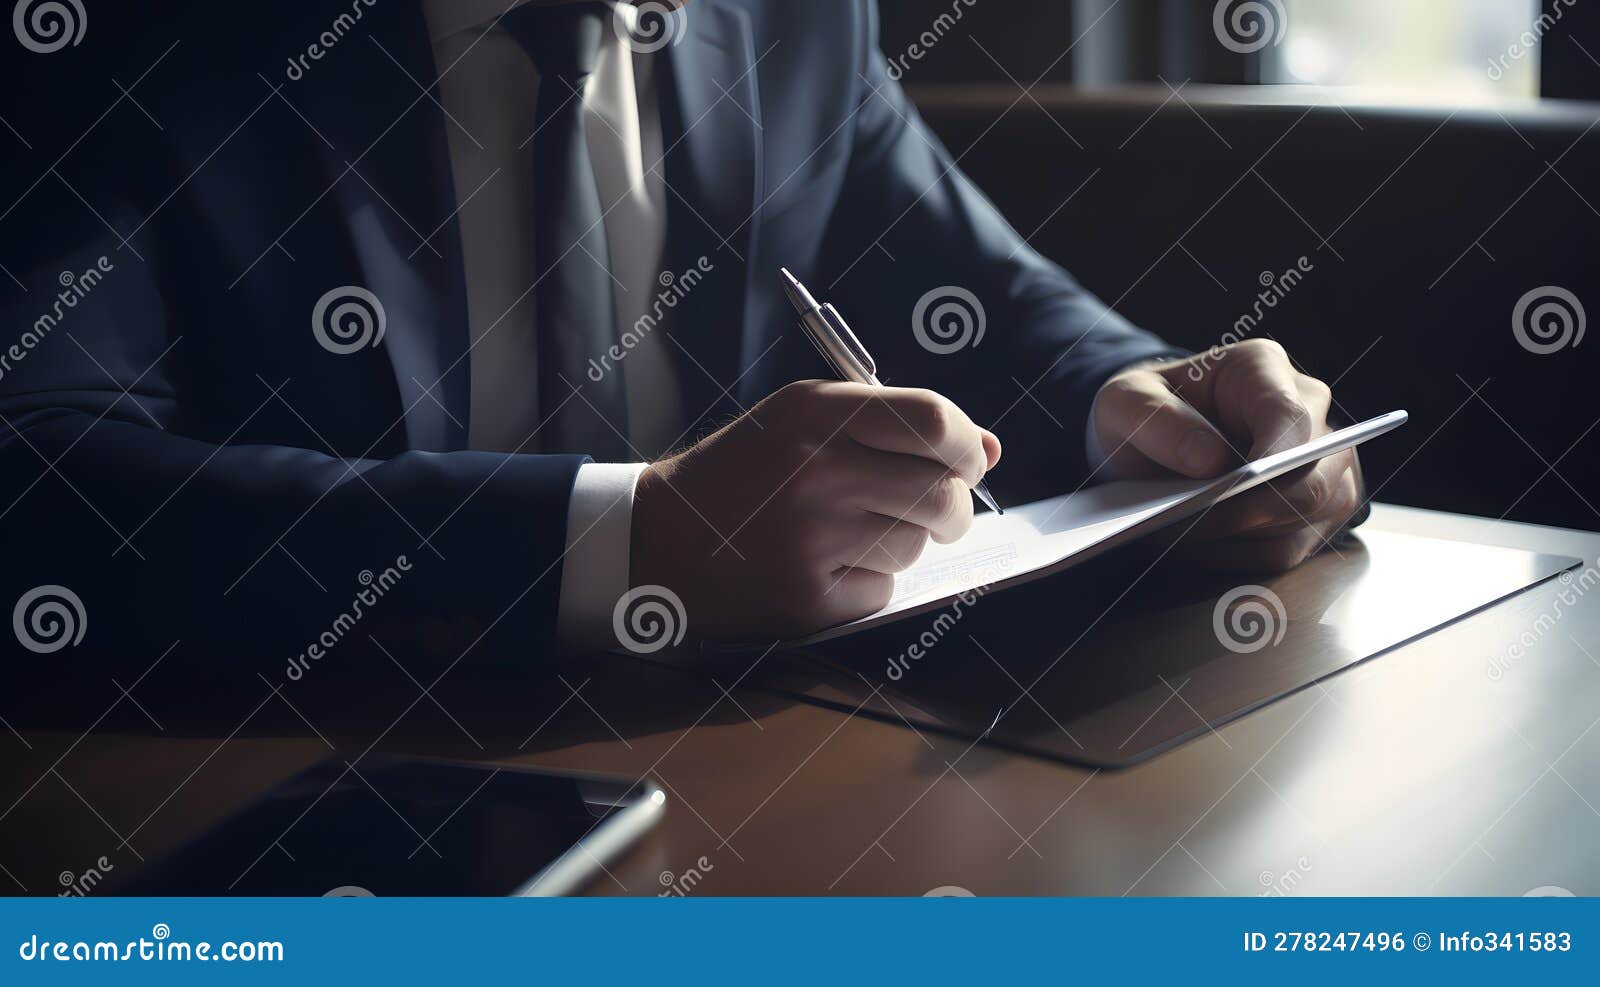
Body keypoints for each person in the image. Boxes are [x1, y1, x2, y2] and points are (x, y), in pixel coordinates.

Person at [0, 0, 1360, 669]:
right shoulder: (133, 33)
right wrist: (622, 543)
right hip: (298, 782)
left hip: (736, 775)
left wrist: (1149, 400)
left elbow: (979, 289)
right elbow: (37, 472)